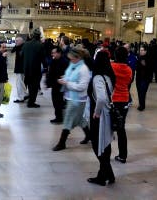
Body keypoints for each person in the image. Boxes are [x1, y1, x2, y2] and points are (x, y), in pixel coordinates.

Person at [86, 51, 116, 186]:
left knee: (97, 144)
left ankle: (103, 175)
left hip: (100, 115)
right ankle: (108, 174)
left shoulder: (98, 77)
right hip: (108, 113)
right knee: (105, 144)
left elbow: (102, 98)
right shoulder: (108, 76)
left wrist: (96, 113)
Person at [53, 45, 91, 151]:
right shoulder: (73, 65)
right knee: (79, 119)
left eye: (72, 58)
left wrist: (67, 83)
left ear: (78, 57)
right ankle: (89, 135)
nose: (70, 60)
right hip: (71, 97)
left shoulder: (84, 69)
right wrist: (65, 79)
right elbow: (70, 77)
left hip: (78, 99)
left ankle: (62, 143)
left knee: (68, 119)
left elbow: (82, 86)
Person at [111, 45, 133, 163]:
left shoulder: (111, 66)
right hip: (124, 99)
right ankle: (123, 155)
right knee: (121, 128)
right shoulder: (129, 69)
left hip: (113, 99)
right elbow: (129, 82)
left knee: (108, 127)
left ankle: (105, 153)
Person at [23, 29, 45, 108]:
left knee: (29, 85)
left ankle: (29, 99)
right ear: (39, 36)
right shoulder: (40, 45)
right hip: (35, 69)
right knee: (34, 86)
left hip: (26, 69)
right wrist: (46, 67)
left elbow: (21, 55)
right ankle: (31, 102)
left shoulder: (26, 44)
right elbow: (43, 58)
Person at [47, 46, 69, 124]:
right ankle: (58, 116)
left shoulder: (64, 62)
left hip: (61, 84)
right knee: (55, 101)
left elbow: (65, 73)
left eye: (54, 53)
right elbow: (51, 72)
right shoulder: (54, 61)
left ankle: (59, 117)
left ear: (59, 53)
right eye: (52, 53)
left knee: (58, 101)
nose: (52, 54)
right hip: (55, 83)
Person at [134, 45, 151, 111]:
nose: (140, 51)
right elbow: (137, 67)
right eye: (140, 50)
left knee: (142, 92)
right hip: (138, 77)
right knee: (139, 91)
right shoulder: (138, 57)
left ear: (145, 51)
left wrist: (145, 65)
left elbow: (150, 68)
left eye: (142, 50)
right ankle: (141, 104)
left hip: (145, 78)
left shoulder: (148, 58)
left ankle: (142, 105)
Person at [12, 36, 26, 103]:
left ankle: (21, 97)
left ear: (21, 41)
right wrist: (16, 45)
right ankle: (25, 94)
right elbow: (12, 51)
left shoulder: (24, 47)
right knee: (21, 82)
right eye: (15, 41)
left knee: (19, 83)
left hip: (21, 68)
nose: (16, 42)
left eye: (17, 41)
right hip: (19, 67)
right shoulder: (18, 47)